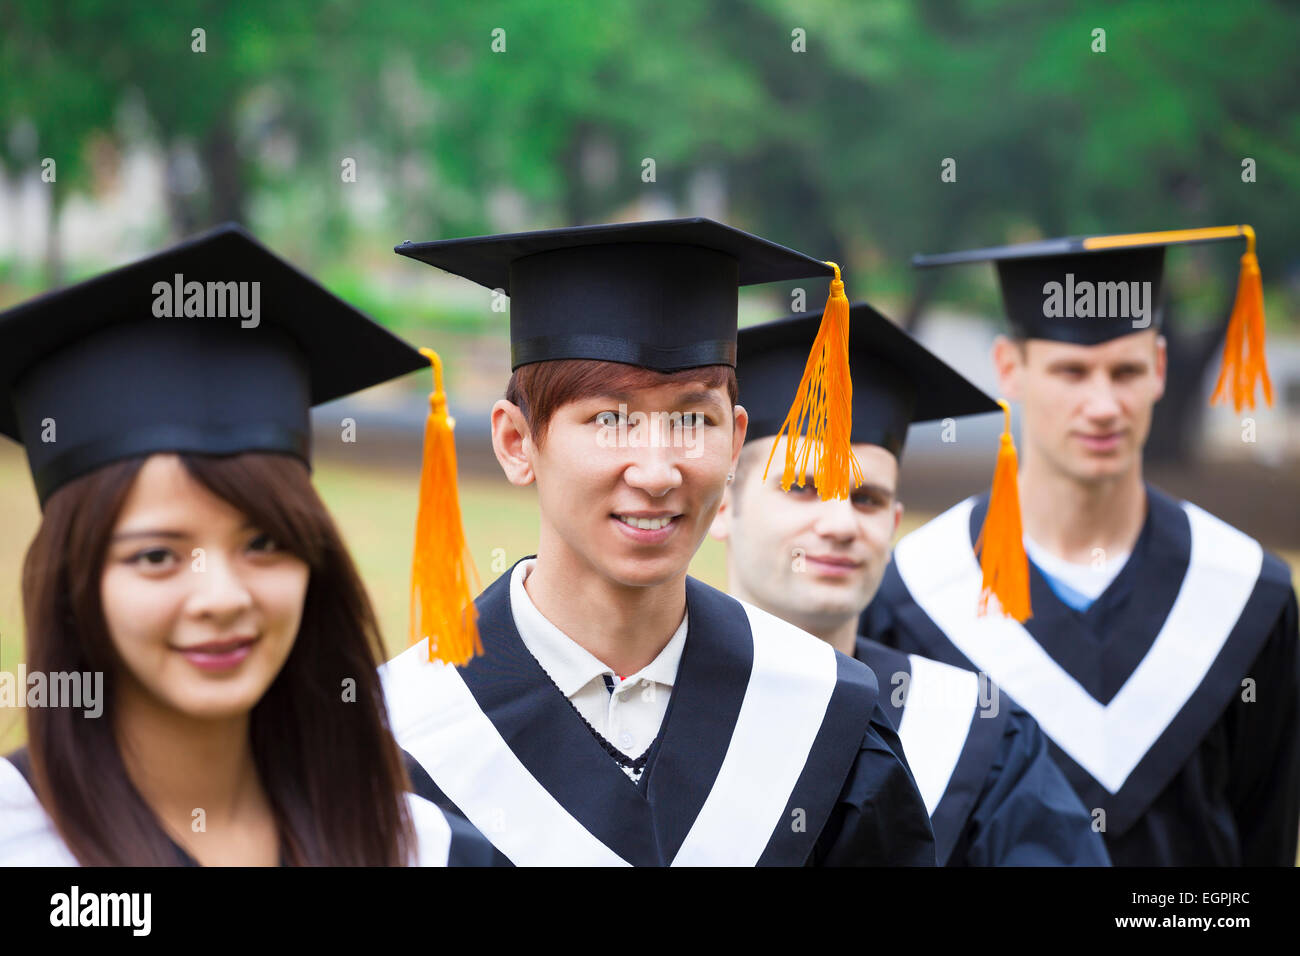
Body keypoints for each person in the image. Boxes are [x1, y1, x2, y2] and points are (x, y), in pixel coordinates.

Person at [383, 218, 937, 866]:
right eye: (609, 419)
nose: (656, 472)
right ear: (516, 442)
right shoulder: (402, 734)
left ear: (734, 441)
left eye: (692, 419)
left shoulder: (821, 716)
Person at [0, 224, 495, 866]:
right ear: (73, 583)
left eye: (263, 543)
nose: (222, 597)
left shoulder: (415, 849)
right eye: (156, 556)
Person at [863, 227, 1300, 865]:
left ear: (1160, 369)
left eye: (1125, 371)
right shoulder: (914, 595)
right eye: (1071, 371)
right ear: (1009, 369)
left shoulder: (1245, 595)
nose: (1103, 404)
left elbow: (1263, 835)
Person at [709, 303, 1110, 865]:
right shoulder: (641, 702)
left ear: (893, 524)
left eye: (867, 499)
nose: (842, 524)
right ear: (721, 507)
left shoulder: (972, 733)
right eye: (802, 487)